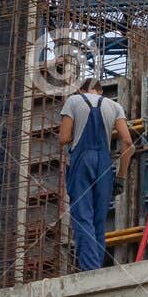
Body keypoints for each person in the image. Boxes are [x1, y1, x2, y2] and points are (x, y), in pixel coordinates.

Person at [58, 79, 134, 271]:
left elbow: (64, 138)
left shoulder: (74, 101)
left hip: (82, 161)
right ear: (100, 91)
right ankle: (97, 269)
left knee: (83, 216)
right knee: (99, 221)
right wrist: (121, 177)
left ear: (83, 90)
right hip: (104, 164)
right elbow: (127, 143)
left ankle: (90, 269)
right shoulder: (115, 106)